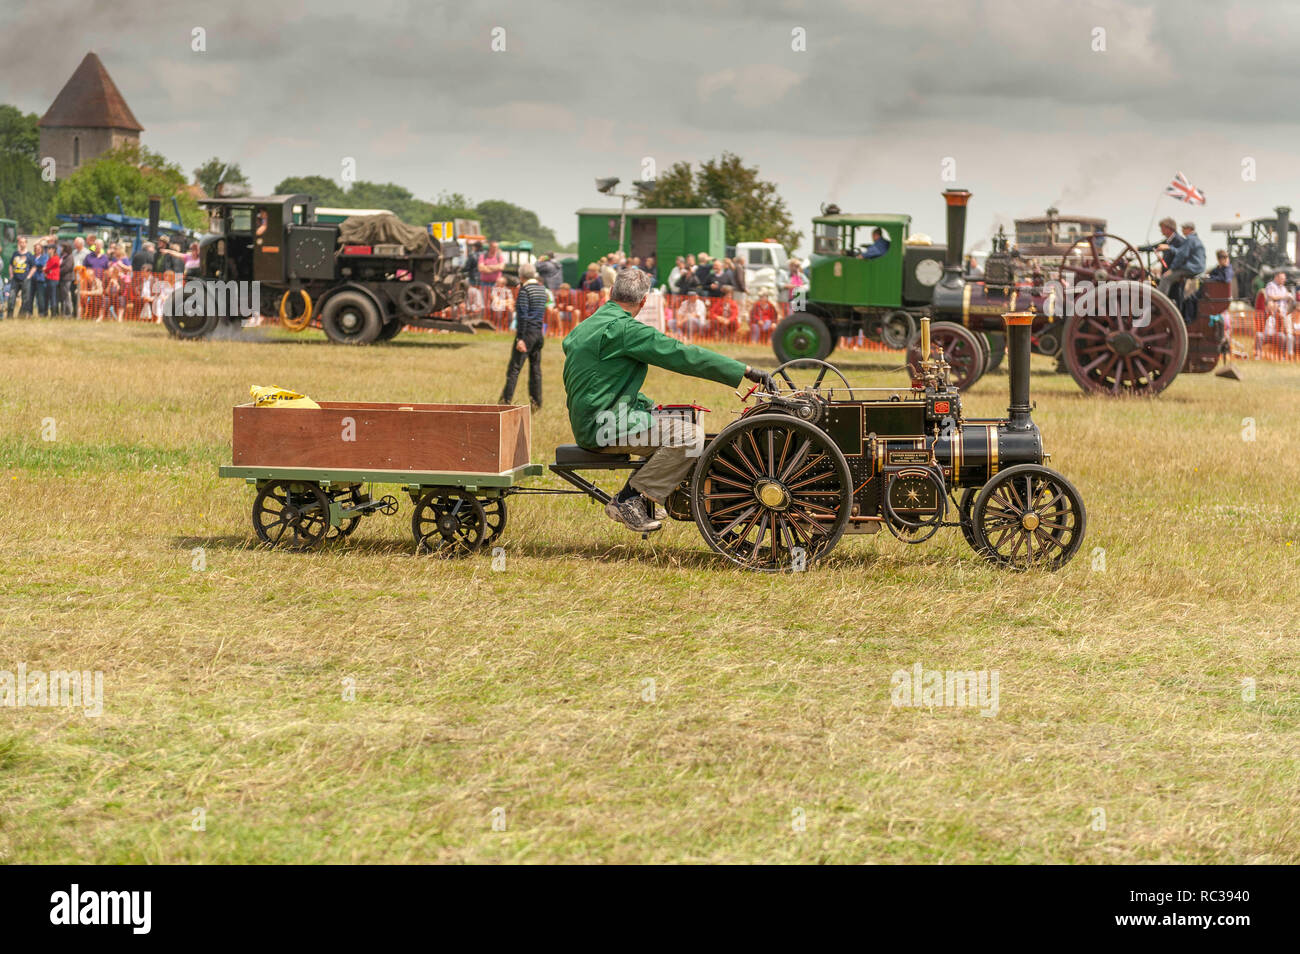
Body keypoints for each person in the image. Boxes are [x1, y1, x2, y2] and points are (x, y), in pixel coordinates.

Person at [561, 267, 775, 533]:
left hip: (590, 419)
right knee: (689, 437)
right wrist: (743, 370)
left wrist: (646, 405)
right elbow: (681, 354)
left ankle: (653, 496)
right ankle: (629, 499)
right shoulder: (626, 330)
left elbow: (600, 381)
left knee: (678, 418)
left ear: (611, 293)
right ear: (643, 301)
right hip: (603, 427)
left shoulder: (585, 326)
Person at [499, 262, 547, 408]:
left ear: (521, 276)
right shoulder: (541, 290)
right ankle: (536, 402)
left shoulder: (525, 291)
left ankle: (505, 402)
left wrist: (520, 338)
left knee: (514, 369)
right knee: (535, 370)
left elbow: (522, 316)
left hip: (527, 334)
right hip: (539, 333)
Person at [1158, 221, 1204, 307]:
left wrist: (1172, 269)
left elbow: (1181, 255)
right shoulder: (1196, 239)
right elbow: (1181, 252)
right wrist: (1170, 248)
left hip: (1191, 268)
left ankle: (1160, 301)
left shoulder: (1189, 239)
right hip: (1197, 267)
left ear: (1189, 229)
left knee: (1165, 278)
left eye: (1184, 228)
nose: (1182, 230)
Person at [7, 237, 34, 318]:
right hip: (15, 279)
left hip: (25, 279)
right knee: (11, 297)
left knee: (25, 298)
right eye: (20, 242)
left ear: (26, 243)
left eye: (23, 242)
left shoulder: (29, 255)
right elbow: (11, 265)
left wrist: (29, 276)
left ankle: (21, 315)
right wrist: (11, 275)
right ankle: (10, 315)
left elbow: (34, 267)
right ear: (19, 243)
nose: (22, 244)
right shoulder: (15, 254)